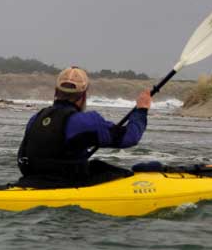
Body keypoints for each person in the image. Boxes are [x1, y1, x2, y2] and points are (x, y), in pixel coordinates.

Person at [17, 66, 151, 186]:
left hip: (31, 180)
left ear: (56, 91)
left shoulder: (36, 118)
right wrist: (141, 111)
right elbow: (130, 137)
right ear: (84, 94)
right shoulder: (85, 122)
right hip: (65, 183)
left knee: (97, 166)